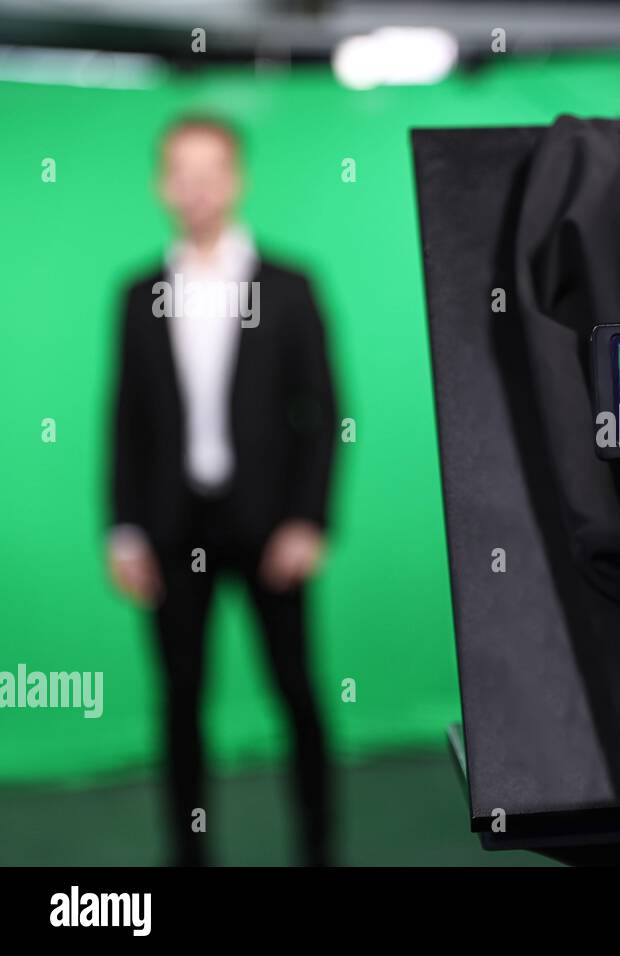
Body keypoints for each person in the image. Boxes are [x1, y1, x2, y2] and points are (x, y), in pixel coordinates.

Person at [107, 116, 338, 866]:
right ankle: (189, 855)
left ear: (237, 179)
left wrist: (308, 520)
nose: (198, 186)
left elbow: (323, 413)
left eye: (213, 169)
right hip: (176, 528)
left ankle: (318, 847)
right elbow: (126, 420)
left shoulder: (292, 286)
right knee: (179, 704)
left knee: (296, 694)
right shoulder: (139, 294)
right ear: (160, 184)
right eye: (182, 170)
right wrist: (124, 530)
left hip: (270, 525)